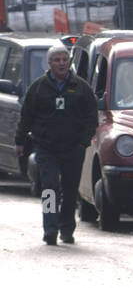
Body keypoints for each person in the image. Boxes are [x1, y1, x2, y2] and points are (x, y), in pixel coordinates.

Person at [16, 45, 97, 245]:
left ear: (68, 62)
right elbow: (26, 116)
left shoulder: (81, 87)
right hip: (46, 148)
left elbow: (91, 117)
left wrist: (82, 142)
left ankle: (67, 229)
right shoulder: (38, 87)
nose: (61, 63)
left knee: (70, 190)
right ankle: (50, 229)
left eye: (64, 59)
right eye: (57, 60)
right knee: (50, 188)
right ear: (49, 63)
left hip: (73, 148)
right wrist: (19, 141)